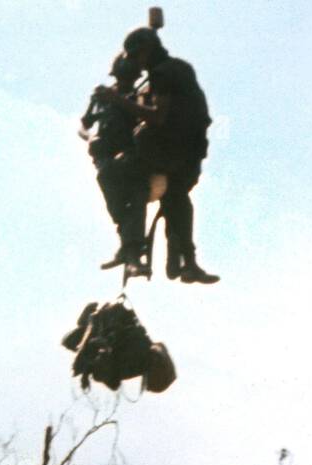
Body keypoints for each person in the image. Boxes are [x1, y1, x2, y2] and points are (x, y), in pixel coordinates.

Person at [94, 26, 219, 283]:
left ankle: (130, 247)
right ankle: (186, 260)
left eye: (136, 57)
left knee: (111, 176)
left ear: (145, 52)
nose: (137, 65)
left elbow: (158, 117)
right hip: (189, 159)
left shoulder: (161, 75)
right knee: (176, 199)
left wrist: (117, 101)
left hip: (164, 153)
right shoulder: (182, 68)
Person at [80, 51, 143, 268]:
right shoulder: (102, 97)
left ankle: (131, 249)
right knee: (115, 198)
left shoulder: (139, 97)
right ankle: (128, 247)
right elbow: (85, 125)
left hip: (129, 154)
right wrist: (90, 135)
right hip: (104, 156)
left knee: (136, 193)